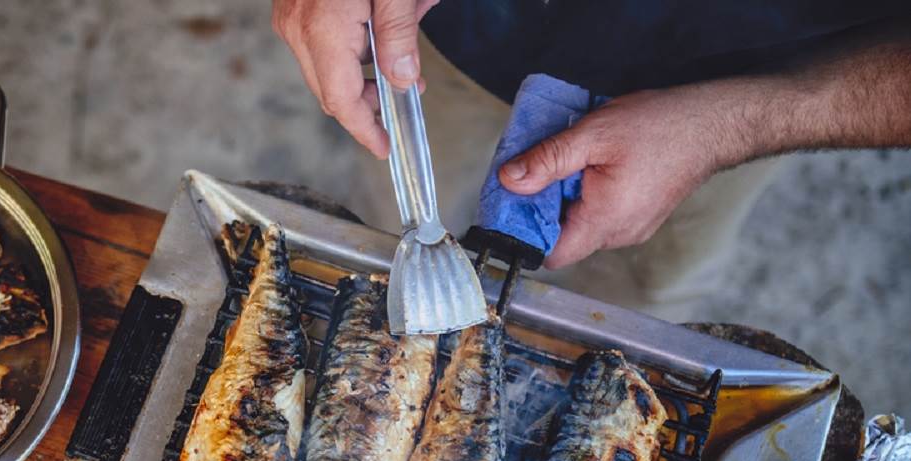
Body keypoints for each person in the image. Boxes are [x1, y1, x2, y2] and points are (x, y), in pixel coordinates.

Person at [272, 0, 911, 305]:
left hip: (741, 84)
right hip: (457, 36)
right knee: (397, 229)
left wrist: (734, 125)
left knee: (647, 288)